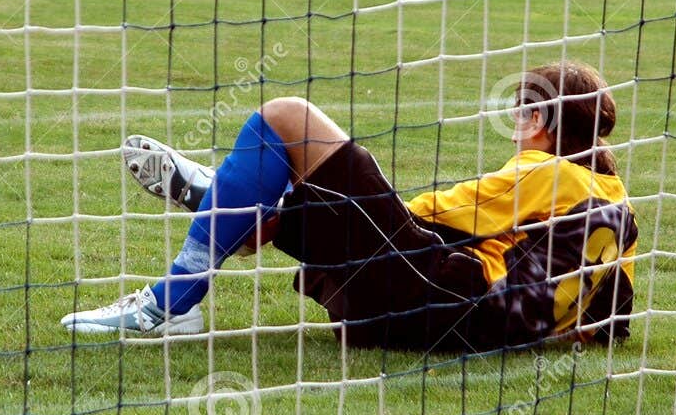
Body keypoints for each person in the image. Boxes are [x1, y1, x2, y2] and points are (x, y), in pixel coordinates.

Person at [63, 61, 639, 352]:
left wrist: (354, 200)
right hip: (447, 327)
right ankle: (247, 206)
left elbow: (436, 213)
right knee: (312, 204)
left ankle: (175, 296)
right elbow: (611, 321)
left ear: (540, 119)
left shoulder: (548, 172)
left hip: (436, 298)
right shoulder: (623, 212)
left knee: (287, 117)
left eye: (522, 109)